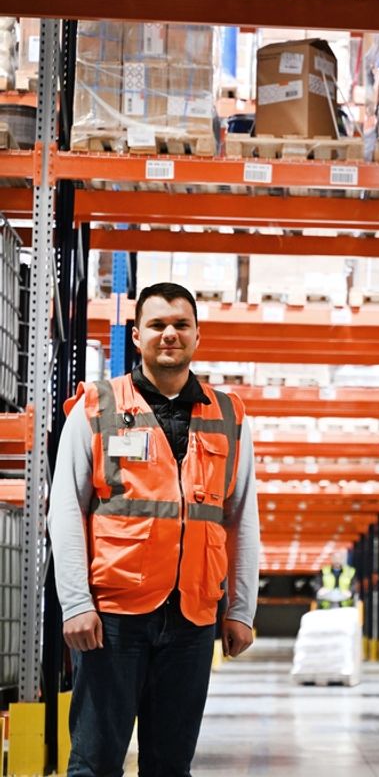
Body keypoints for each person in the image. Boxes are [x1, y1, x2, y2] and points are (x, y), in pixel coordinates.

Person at [48, 282, 260, 777]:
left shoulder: (230, 415)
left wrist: (242, 609)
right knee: (95, 762)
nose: (170, 334)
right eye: (159, 324)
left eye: (181, 325)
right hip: (114, 617)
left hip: (192, 617)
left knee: (170, 765)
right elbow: (64, 509)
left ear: (197, 336)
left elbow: (241, 517)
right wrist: (76, 603)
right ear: (138, 334)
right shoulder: (96, 407)